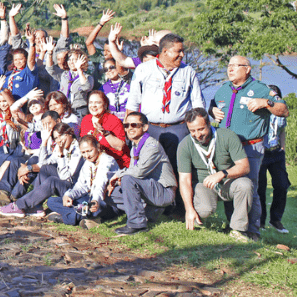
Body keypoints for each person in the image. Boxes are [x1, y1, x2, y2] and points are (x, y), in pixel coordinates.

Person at [209, 56, 289, 238]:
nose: (230, 69)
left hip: (250, 147)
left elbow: (284, 110)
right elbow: (213, 104)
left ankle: (252, 230)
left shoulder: (260, 89)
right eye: (229, 65)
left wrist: (266, 103)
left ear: (247, 69)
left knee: (249, 188)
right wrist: (211, 110)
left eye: (235, 66)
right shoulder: (223, 89)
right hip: (226, 148)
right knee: (229, 184)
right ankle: (233, 225)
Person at [125, 33, 204, 179]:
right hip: (150, 128)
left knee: (180, 170)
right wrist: (131, 130)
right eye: (178, 51)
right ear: (165, 51)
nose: (182, 55)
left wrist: (198, 130)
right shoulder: (143, 69)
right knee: (148, 168)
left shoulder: (188, 72)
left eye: (183, 51)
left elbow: (198, 104)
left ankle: (179, 194)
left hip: (179, 129)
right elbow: (133, 102)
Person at [177, 108, 255, 242]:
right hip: (204, 185)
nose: (197, 135)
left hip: (228, 182)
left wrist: (223, 173)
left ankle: (238, 229)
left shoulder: (227, 135)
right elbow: (184, 180)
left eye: (201, 129)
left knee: (245, 185)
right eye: (192, 131)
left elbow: (244, 166)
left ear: (209, 123)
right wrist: (189, 209)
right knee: (205, 210)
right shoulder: (185, 145)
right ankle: (197, 218)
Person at [45, 135, 120, 228]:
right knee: (51, 201)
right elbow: (81, 186)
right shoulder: (88, 163)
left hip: (104, 201)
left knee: (89, 209)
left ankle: (65, 218)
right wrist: (69, 195)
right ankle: (78, 215)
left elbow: (100, 183)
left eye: (90, 151)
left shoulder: (107, 161)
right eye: (83, 152)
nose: (87, 155)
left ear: (97, 147)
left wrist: (95, 201)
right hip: (89, 198)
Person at [260, 85, 289, 233]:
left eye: (276, 96)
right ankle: (260, 221)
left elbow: (282, 130)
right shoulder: (260, 111)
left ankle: (276, 220)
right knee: (260, 188)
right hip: (261, 153)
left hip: (276, 153)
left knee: (282, 185)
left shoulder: (281, 112)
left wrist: (282, 148)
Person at [79, 90, 129, 169]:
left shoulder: (113, 120)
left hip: (115, 164)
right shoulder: (86, 120)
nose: (93, 105)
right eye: (91, 102)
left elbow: (120, 147)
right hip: (93, 164)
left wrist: (106, 133)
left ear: (105, 105)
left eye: (98, 103)